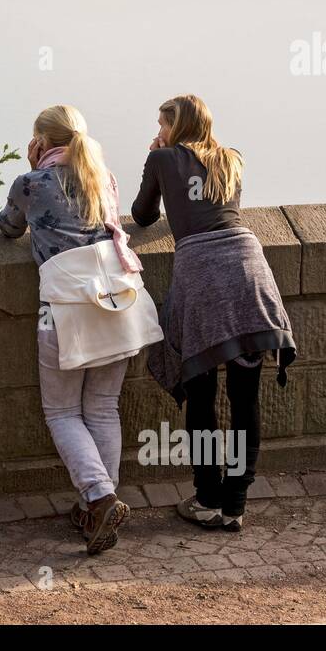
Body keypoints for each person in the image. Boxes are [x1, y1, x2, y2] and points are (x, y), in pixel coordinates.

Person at [0, 105, 161, 554]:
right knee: (104, 407)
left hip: (66, 307)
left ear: (41, 143)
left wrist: (31, 172)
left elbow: (8, 227)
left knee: (63, 412)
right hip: (117, 300)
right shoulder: (102, 177)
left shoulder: (32, 184)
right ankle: (96, 510)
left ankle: (100, 497)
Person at [131, 95, 296, 531]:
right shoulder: (232, 159)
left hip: (202, 275)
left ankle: (206, 498)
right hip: (247, 266)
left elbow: (142, 215)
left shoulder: (162, 158)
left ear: (176, 126)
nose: (159, 132)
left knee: (201, 394)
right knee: (246, 397)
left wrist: (155, 157)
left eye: (162, 124)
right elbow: (217, 206)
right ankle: (235, 505)